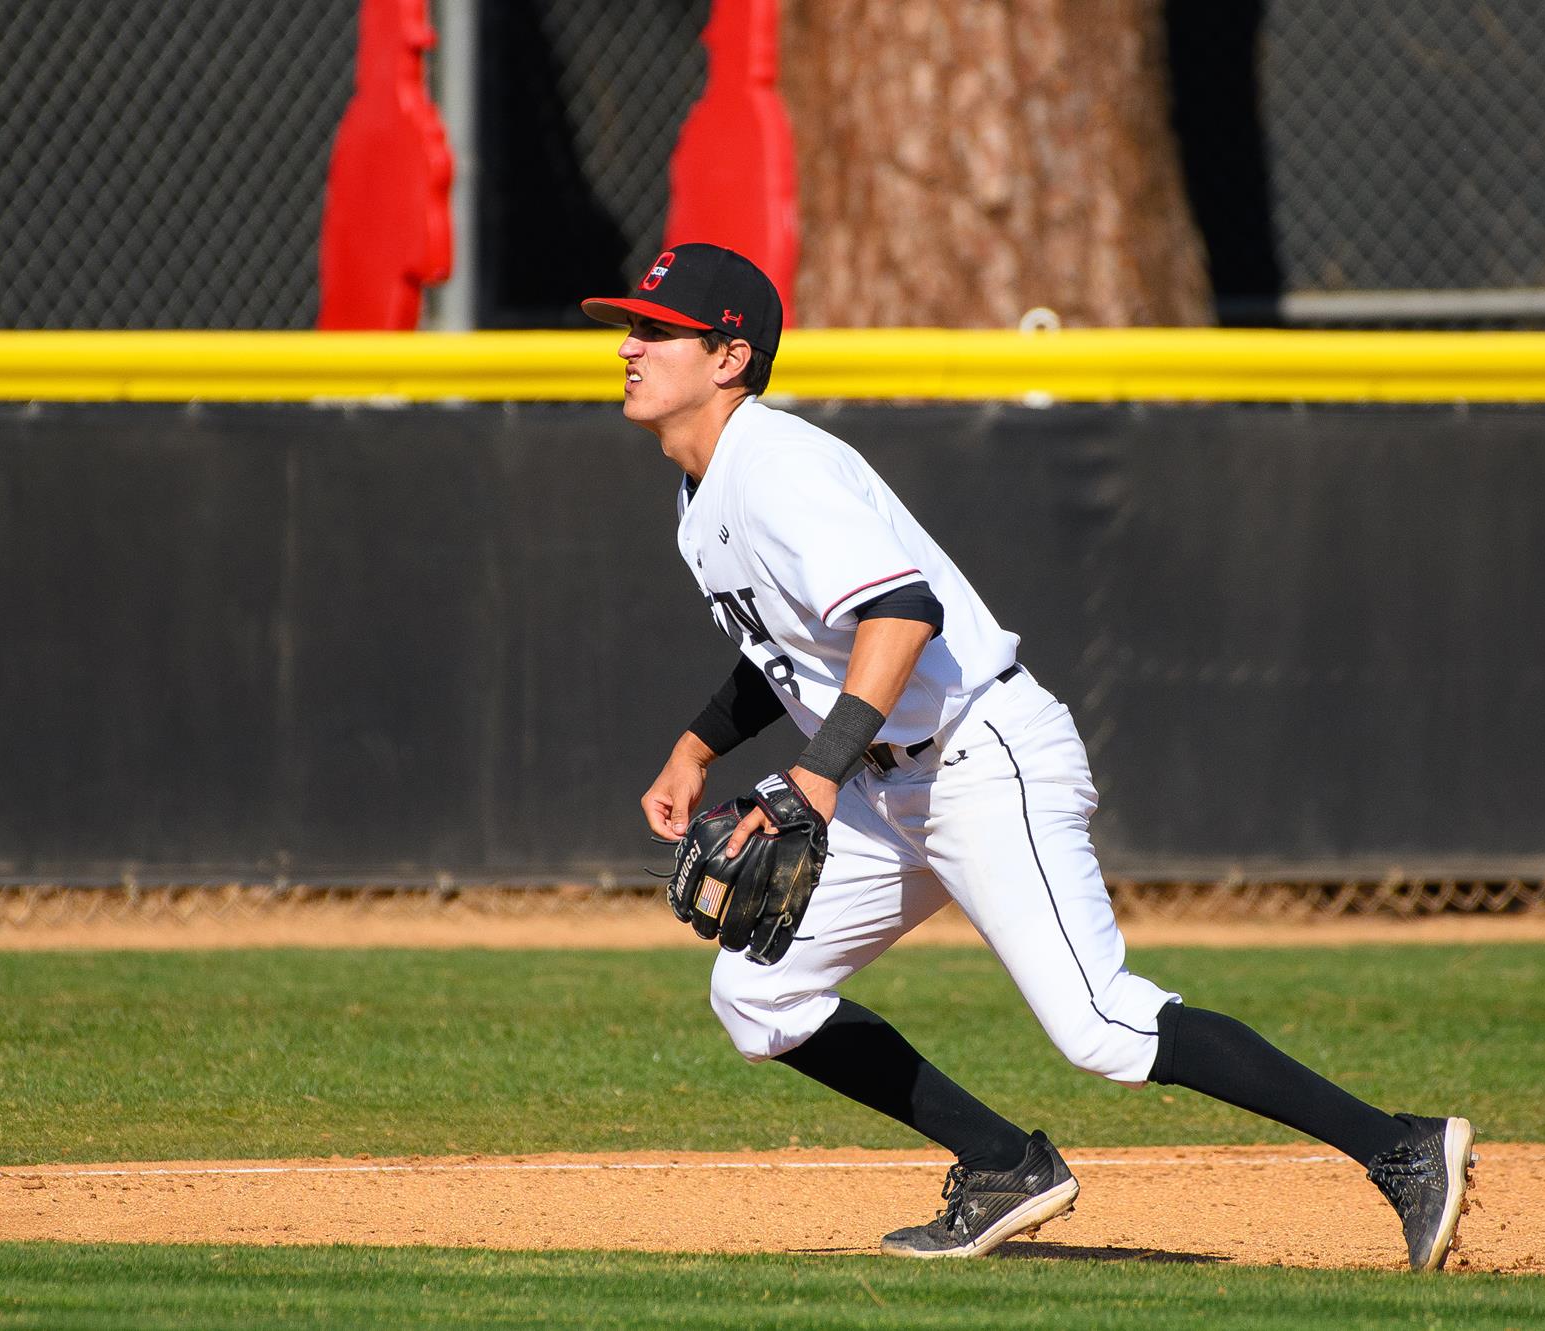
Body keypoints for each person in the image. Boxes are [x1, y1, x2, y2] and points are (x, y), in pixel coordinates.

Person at [582, 242, 1474, 1270]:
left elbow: (899, 613)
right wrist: (696, 745)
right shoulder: (701, 494)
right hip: (888, 780)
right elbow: (792, 648)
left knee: (1102, 1025)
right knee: (757, 992)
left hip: (977, 757)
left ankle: (1400, 1147)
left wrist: (817, 771)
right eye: (628, 327)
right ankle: (1005, 1164)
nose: (627, 347)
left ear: (728, 357)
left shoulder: (775, 465)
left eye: (652, 331)